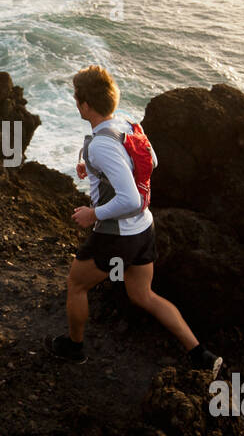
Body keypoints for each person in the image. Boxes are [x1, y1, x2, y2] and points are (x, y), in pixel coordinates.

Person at [50, 64, 222, 375]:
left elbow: (127, 198)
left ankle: (74, 348)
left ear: (86, 105)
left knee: (76, 285)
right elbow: (150, 162)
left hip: (117, 236)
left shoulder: (101, 144)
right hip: (144, 228)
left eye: (78, 99)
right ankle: (200, 354)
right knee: (143, 294)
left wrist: (94, 214)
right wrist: (96, 171)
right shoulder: (129, 124)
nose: (76, 104)